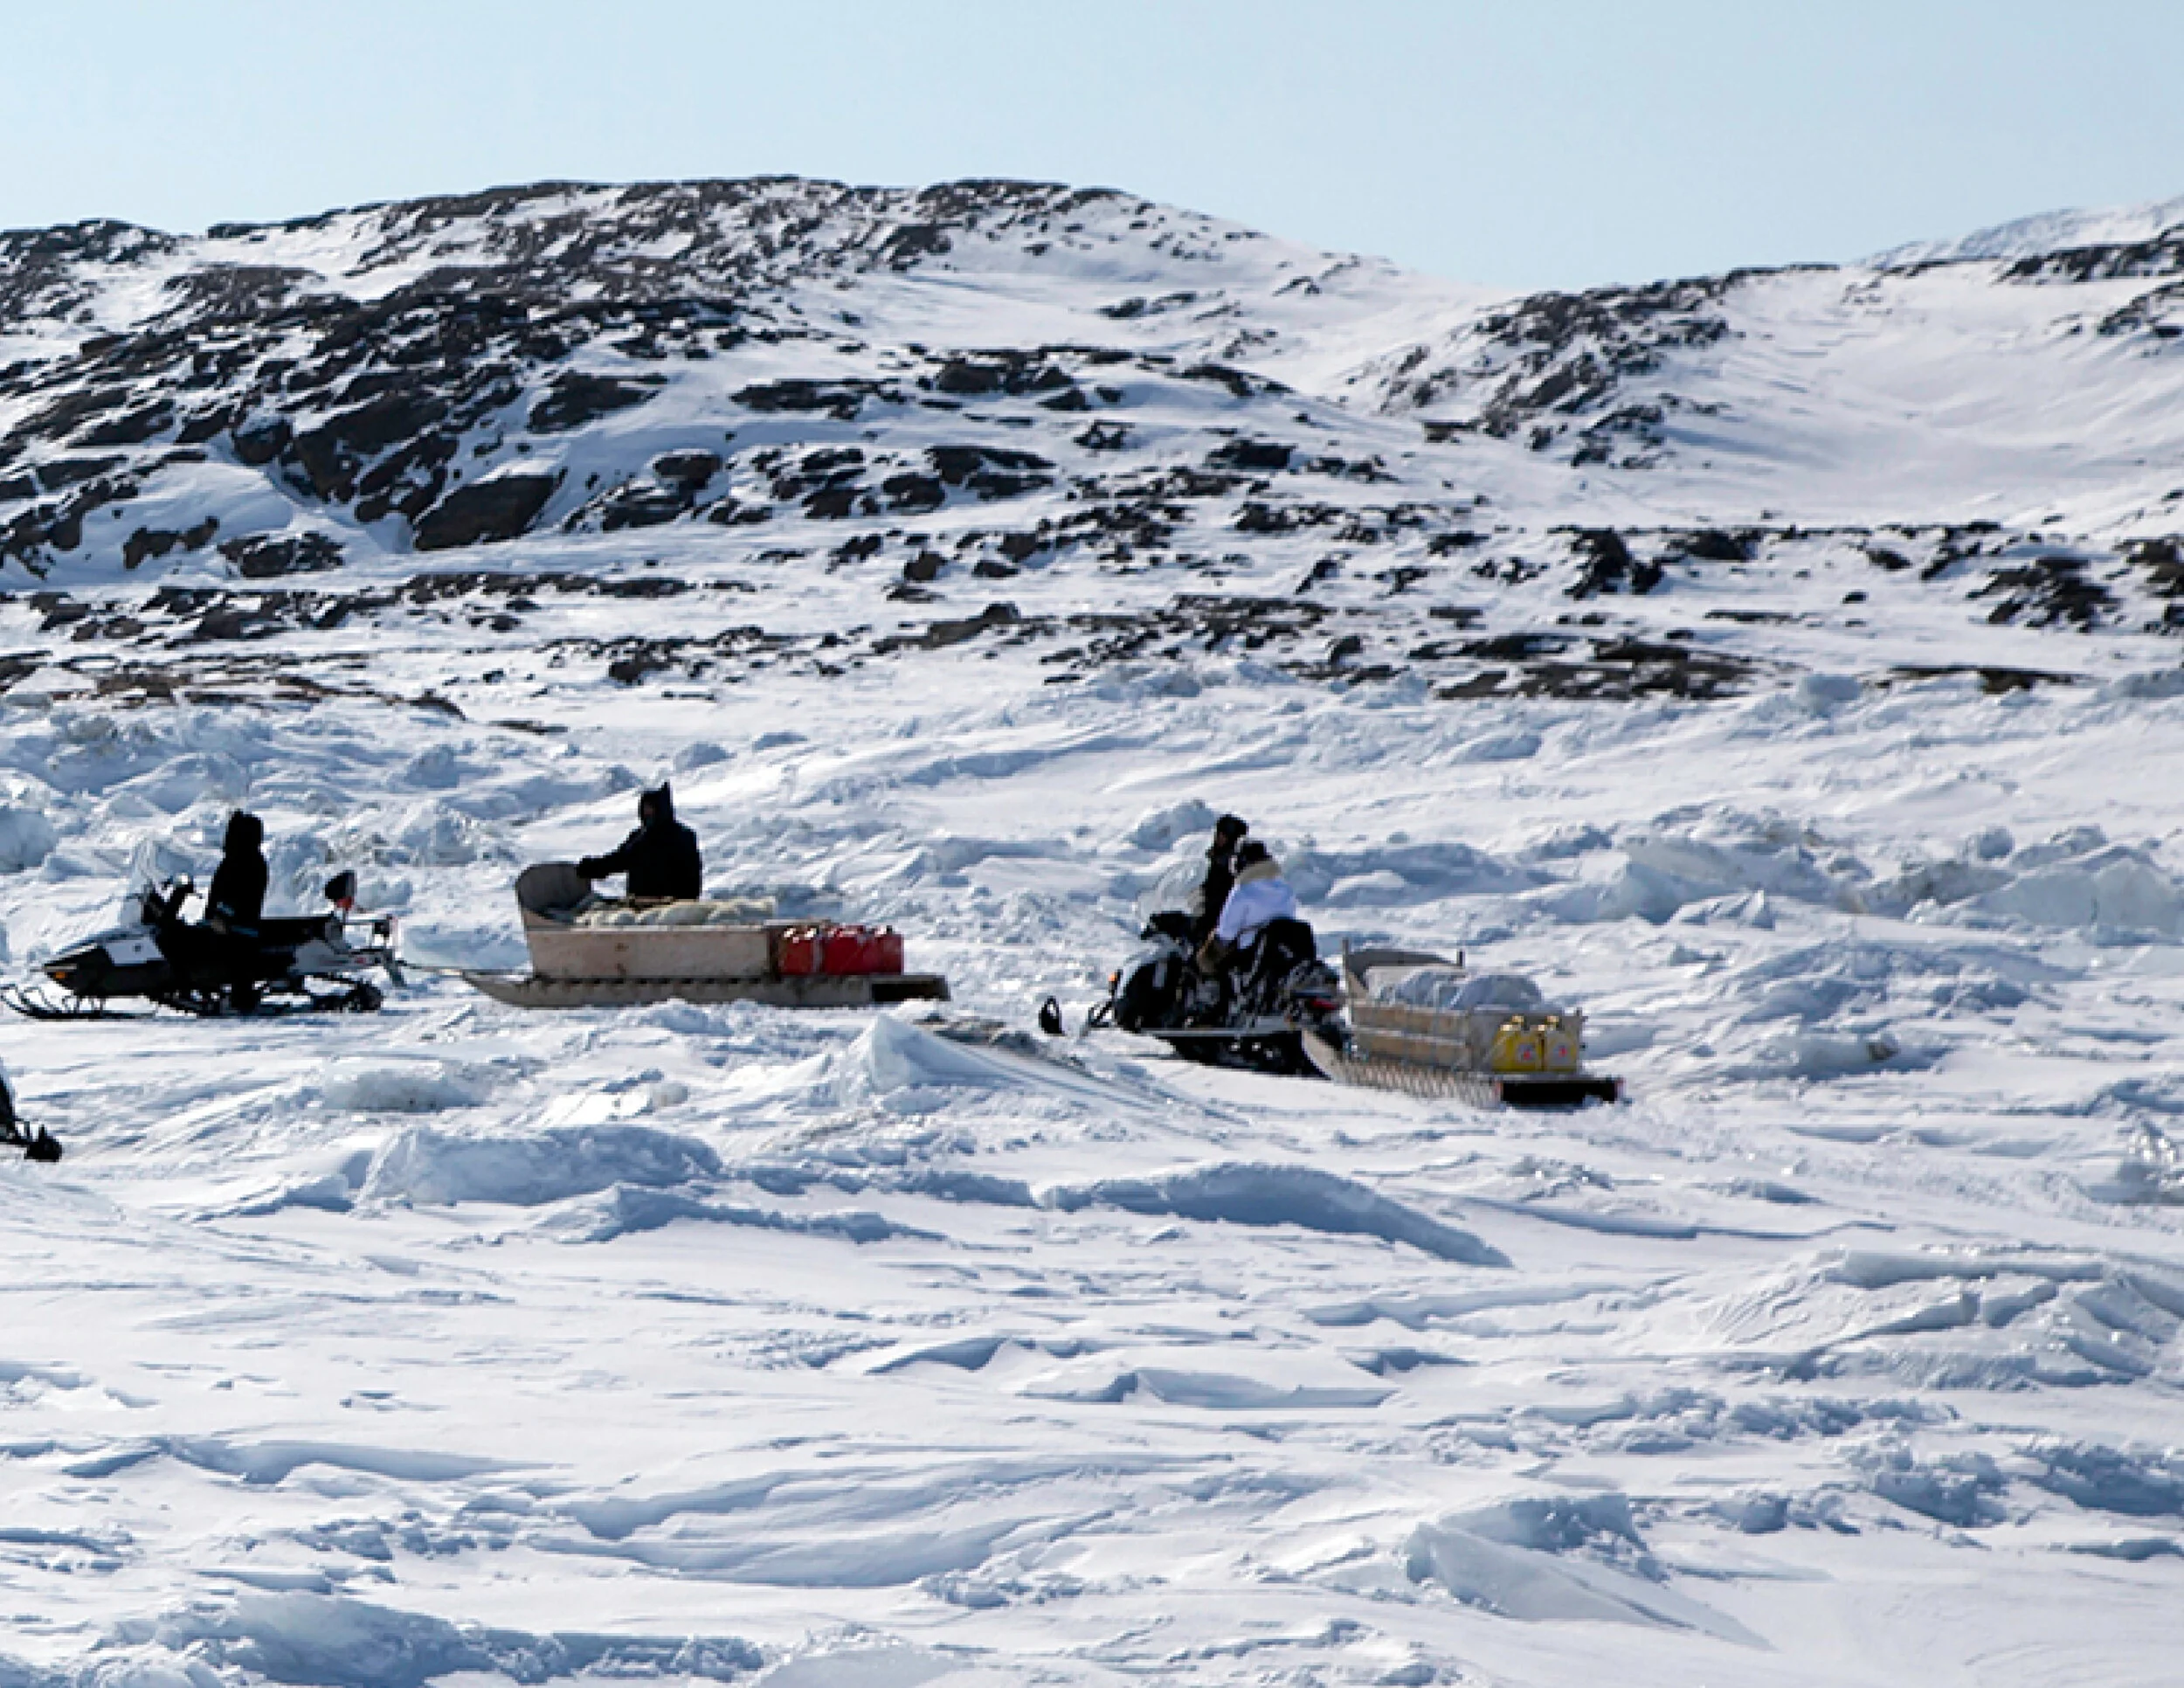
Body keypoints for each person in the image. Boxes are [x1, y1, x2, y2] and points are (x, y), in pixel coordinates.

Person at [578, 784, 702, 901]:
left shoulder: (682, 836)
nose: (647, 813)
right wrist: (593, 867)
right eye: (645, 808)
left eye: (651, 808)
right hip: (638, 908)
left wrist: (685, 903)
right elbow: (619, 860)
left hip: (672, 911)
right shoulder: (639, 837)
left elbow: (692, 876)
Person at [1198, 839, 1298, 975]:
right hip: (1285, 952)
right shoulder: (1284, 887)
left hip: (1252, 958)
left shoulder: (1243, 889)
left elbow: (1226, 932)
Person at [205, 811, 267, 935]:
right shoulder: (232, 861)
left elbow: (243, 898)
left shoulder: (250, 863)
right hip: (220, 927)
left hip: (235, 932)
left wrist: (222, 915)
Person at [1192, 813, 1249, 945]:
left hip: (1223, 922)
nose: (1219, 838)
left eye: (1223, 835)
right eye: (1218, 834)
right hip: (1212, 915)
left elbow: (1228, 894)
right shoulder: (1218, 858)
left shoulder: (1233, 863)